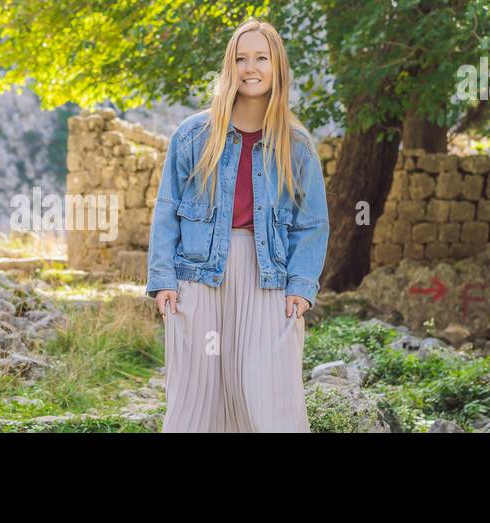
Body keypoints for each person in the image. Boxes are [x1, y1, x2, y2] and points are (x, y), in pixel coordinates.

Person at [146, 18, 330, 432]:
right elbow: (167, 208)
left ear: (277, 67)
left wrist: (301, 288)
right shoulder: (192, 136)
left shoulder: (297, 147)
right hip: (198, 275)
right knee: (197, 397)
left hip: (267, 277)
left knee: (270, 394)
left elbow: (312, 224)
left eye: (261, 58)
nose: (251, 67)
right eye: (241, 58)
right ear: (230, 67)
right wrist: (163, 280)